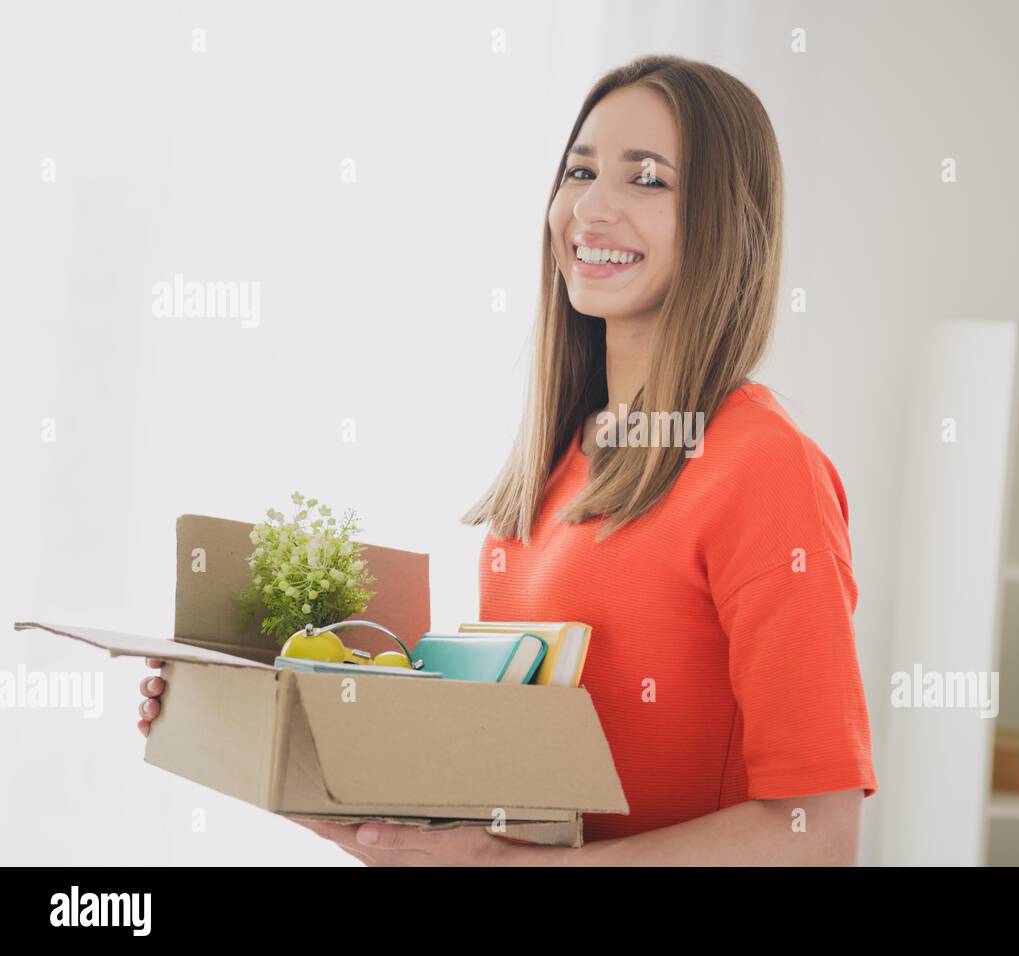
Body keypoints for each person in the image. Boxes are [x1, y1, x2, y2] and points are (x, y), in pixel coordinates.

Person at [139, 54, 877, 865]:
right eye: (580, 171)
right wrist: (273, 737)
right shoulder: (555, 470)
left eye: (648, 180)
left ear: (725, 223)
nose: (592, 208)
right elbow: (523, 800)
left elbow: (818, 836)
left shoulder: (764, 468)